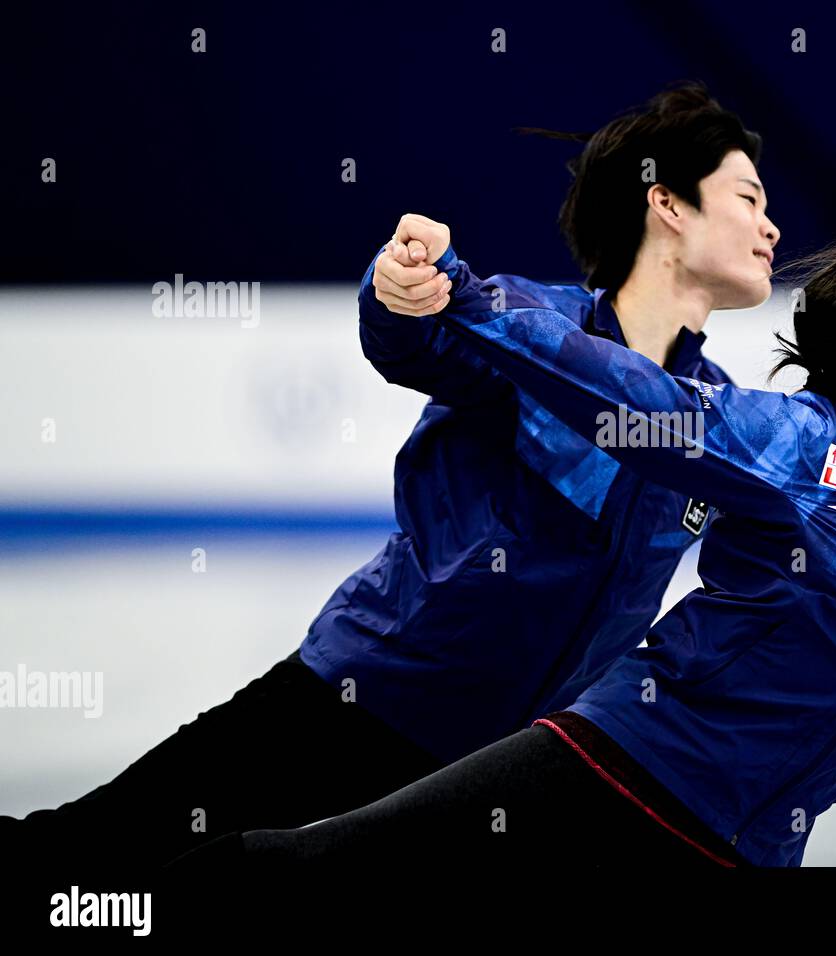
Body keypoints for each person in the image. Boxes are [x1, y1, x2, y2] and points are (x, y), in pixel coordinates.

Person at [0, 82, 783, 871]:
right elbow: (417, 343)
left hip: (513, 764)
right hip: (369, 692)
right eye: (747, 197)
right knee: (95, 851)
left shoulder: (713, 413)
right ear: (668, 206)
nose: (770, 224)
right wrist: (400, 289)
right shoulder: (530, 323)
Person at [173, 225, 836, 872]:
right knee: (319, 874)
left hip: (744, 850)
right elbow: (640, 402)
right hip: (617, 774)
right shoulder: (801, 444)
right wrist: (467, 302)